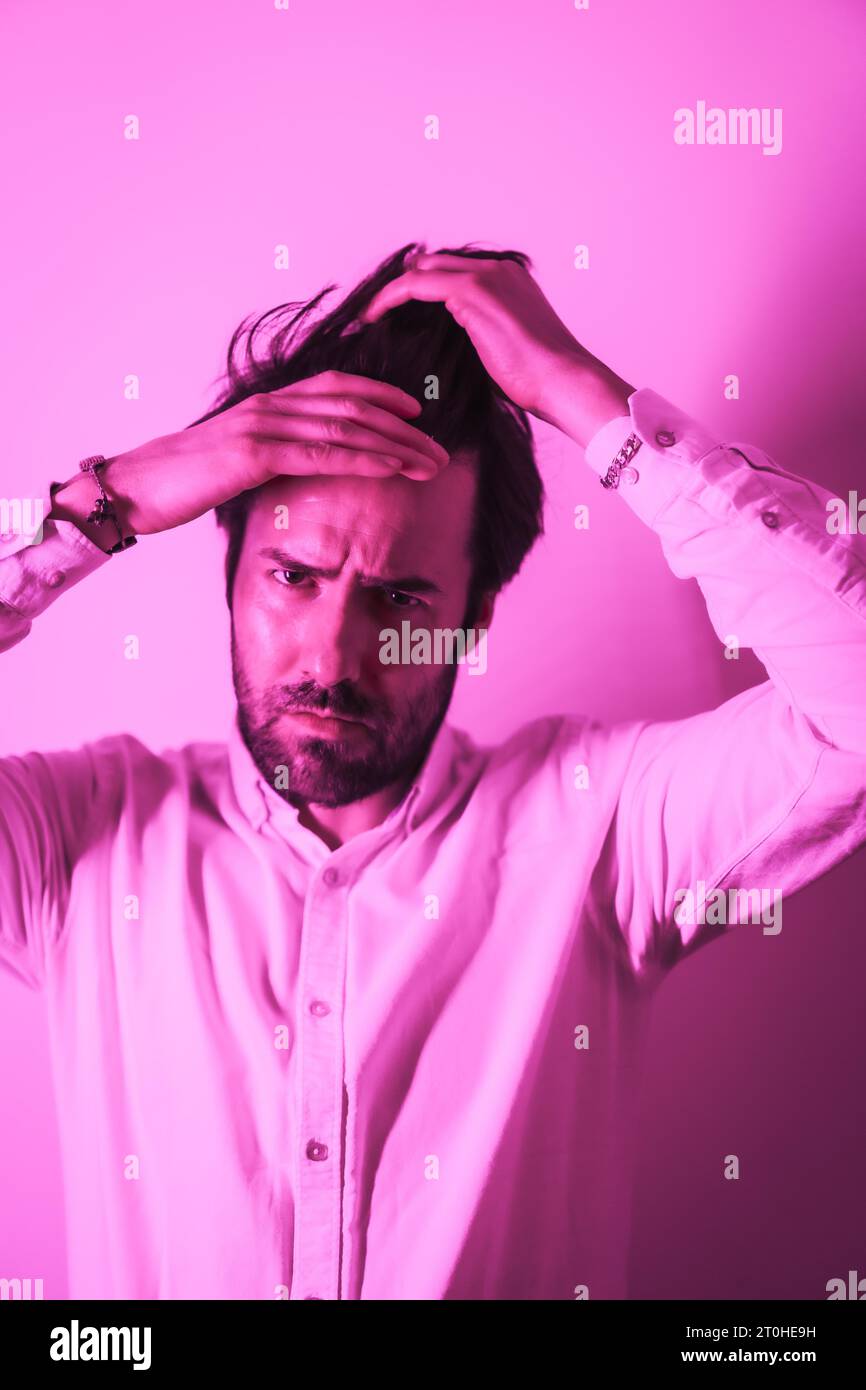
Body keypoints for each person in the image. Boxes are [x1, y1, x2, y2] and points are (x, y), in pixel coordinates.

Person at [1, 243, 864, 1301]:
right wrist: (106, 504)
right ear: (225, 566)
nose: (330, 655)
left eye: (400, 599)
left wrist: (584, 401)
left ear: (471, 618)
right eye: (293, 575)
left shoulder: (598, 832)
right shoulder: (77, 844)